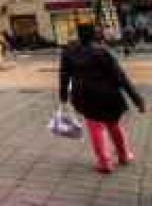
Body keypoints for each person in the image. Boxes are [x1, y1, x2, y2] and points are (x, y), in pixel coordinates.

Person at [59, 24, 146, 173]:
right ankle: (124, 155)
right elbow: (120, 77)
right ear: (95, 35)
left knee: (95, 127)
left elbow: (64, 75)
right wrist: (137, 99)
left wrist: (63, 97)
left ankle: (104, 162)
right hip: (107, 95)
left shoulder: (68, 52)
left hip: (84, 95)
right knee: (114, 124)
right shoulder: (102, 52)